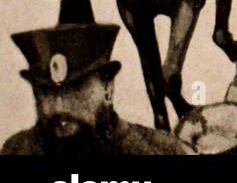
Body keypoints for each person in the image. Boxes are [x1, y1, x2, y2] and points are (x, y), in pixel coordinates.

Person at [2, 24, 192, 155]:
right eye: (47, 91)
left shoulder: (160, 151)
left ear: (108, 88)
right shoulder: (17, 150)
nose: (60, 105)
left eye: (75, 89)